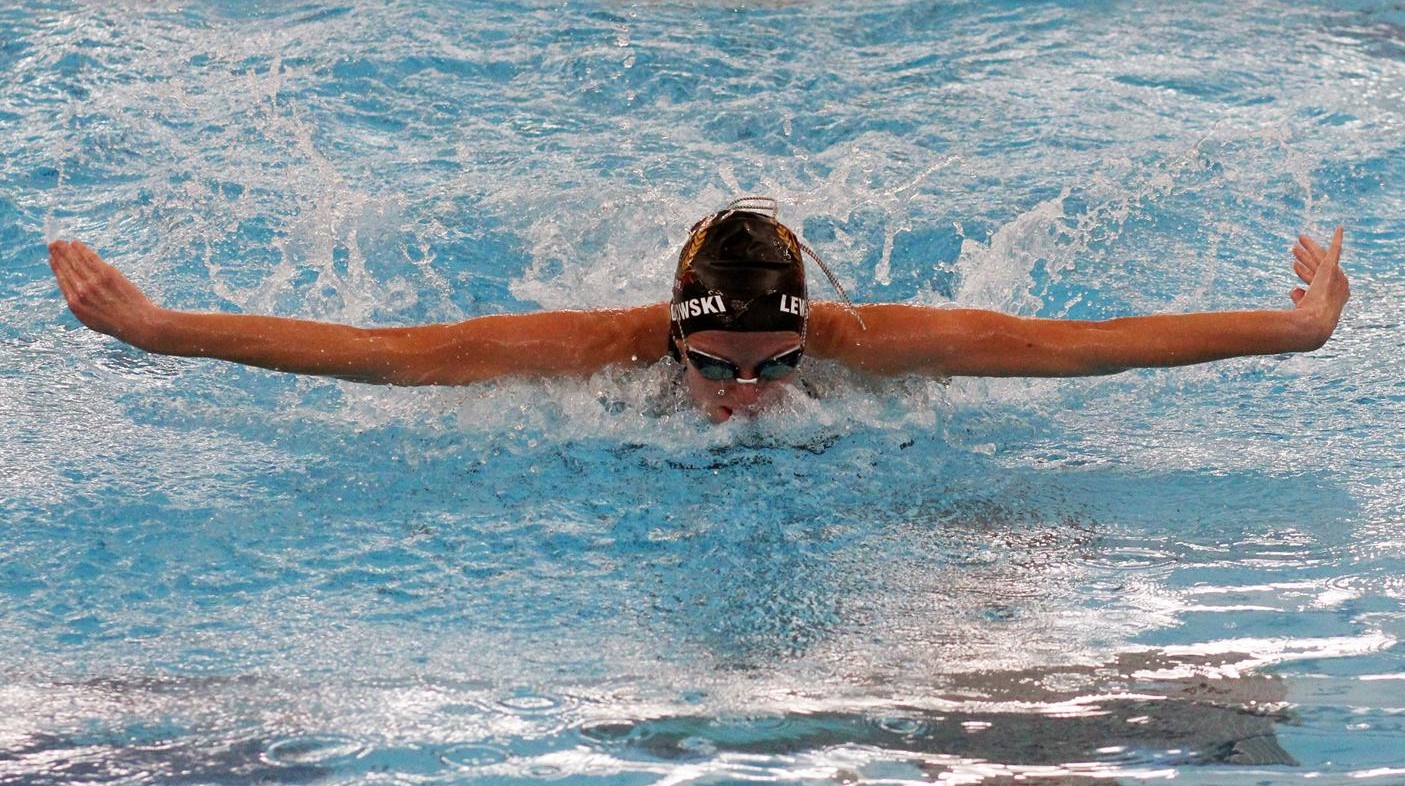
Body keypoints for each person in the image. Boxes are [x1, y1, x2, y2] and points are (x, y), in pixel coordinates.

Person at [48, 197, 1349, 424]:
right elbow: (384, 358)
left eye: (769, 366)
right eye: (714, 366)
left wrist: (1294, 327)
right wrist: (161, 328)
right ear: (669, 329)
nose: (740, 394)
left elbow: (1088, 351)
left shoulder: (867, 343)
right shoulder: (585, 348)